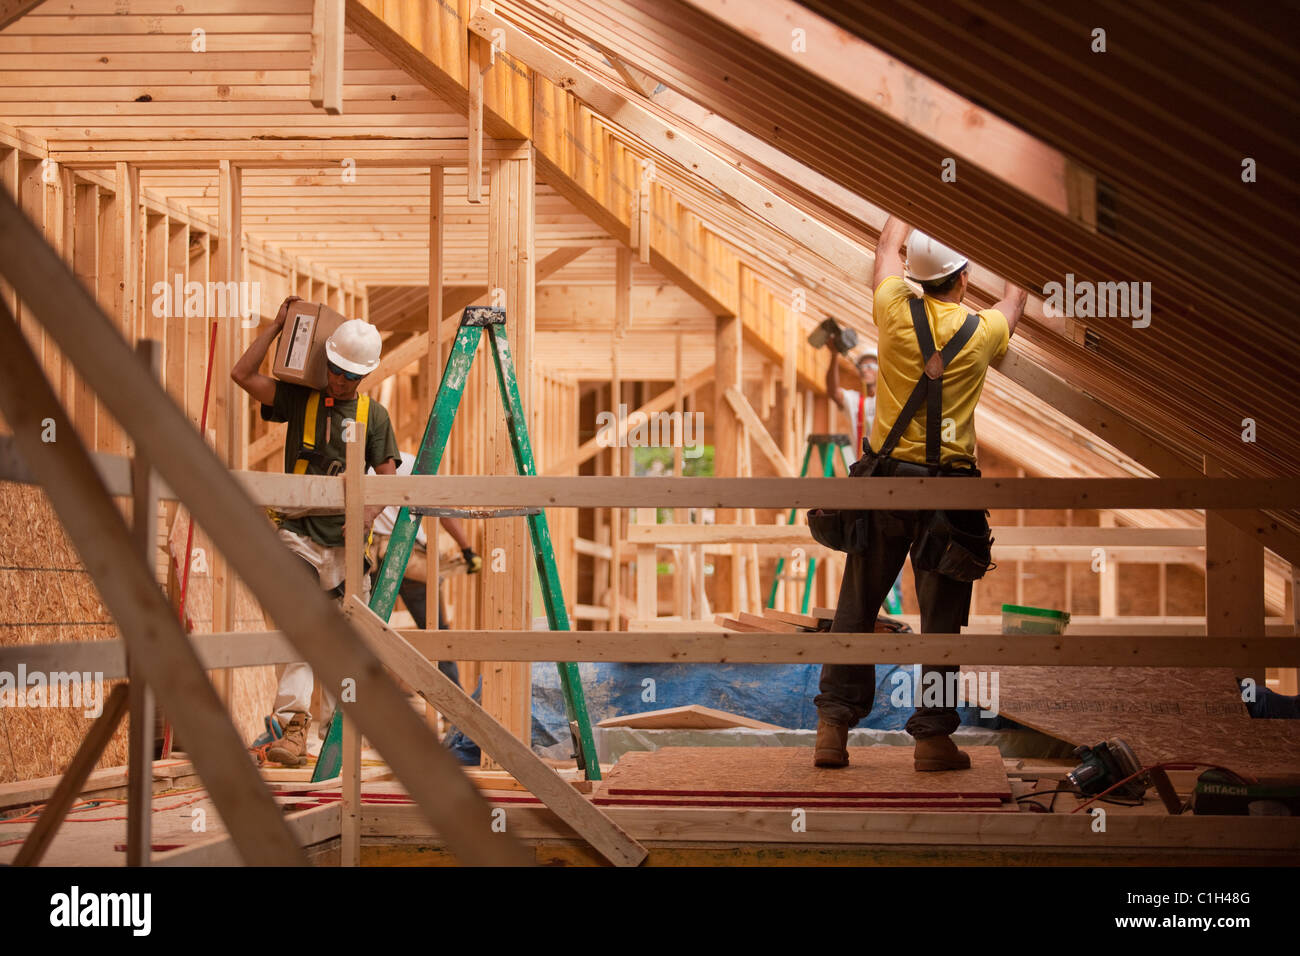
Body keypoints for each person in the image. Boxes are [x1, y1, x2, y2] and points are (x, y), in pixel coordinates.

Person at [813, 216, 1026, 772]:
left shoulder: (892, 312)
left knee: (855, 609)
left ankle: (832, 730)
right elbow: (1015, 300)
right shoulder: (980, 332)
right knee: (941, 624)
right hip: (949, 496)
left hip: (885, 484)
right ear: (962, 278)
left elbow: (886, 247)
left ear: (917, 275)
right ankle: (932, 741)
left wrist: (910, 193)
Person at [232, 295, 401, 767]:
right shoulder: (300, 399)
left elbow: (391, 483)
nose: (341, 381)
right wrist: (276, 326)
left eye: (351, 375)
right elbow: (242, 376)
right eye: (335, 370)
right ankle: (293, 726)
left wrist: (368, 516)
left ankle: (333, 737)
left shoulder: (374, 417)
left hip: (346, 547)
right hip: (297, 536)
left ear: (364, 375)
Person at [368, 450, 482, 687]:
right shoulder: (411, 462)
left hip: (373, 560)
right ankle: (456, 710)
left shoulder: (358, 463)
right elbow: (443, 512)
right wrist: (467, 550)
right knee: (437, 633)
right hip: (410, 558)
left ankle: (364, 705)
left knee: (368, 632)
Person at [826, 348, 879, 459]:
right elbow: (833, 392)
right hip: (863, 466)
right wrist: (834, 354)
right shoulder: (855, 400)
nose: (865, 370)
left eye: (870, 366)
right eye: (862, 367)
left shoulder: (888, 400)